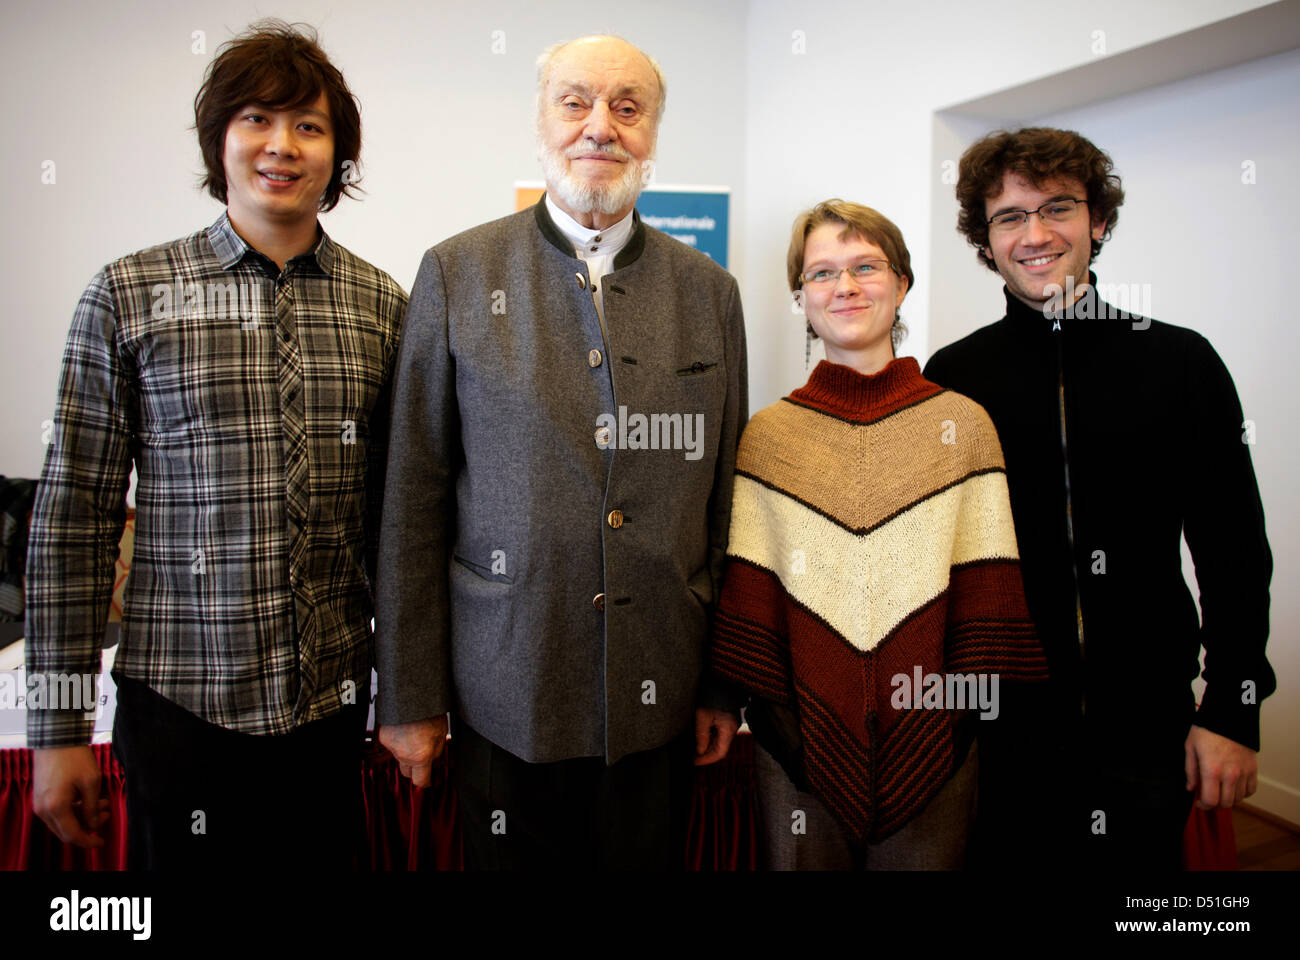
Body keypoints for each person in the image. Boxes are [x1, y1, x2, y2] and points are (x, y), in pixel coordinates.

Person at [26, 20, 407, 869]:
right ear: (219, 140)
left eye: (309, 125)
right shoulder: (128, 294)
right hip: (180, 712)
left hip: (329, 714)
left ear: (338, 154)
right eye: (256, 119)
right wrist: (56, 729)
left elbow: (401, 524)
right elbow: (73, 522)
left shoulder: (384, 306)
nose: (283, 145)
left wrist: (411, 693)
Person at [374, 34, 748, 870]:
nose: (600, 126)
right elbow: (412, 501)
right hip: (506, 687)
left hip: (660, 690)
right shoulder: (457, 272)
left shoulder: (709, 292)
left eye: (628, 107)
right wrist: (409, 694)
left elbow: (726, 504)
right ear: (541, 121)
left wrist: (721, 684)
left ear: (652, 132)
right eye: (575, 102)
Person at [923, 127, 1275, 870]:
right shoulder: (954, 377)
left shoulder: (1181, 361)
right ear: (986, 241)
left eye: (1058, 207)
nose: (1035, 234)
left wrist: (1233, 708)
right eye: (1010, 217)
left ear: (1100, 220)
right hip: (1003, 725)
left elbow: (1234, 551)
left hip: (1147, 721)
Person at [707, 200, 1047, 869]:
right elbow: (752, 598)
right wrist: (783, 726)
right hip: (796, 741)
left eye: (866, 266)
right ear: (802, 297)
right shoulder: (769, 437)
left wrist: (949, 724)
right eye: (823, 272)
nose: (846, 286)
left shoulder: (963, 426)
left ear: (902, 283)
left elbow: (986, 598)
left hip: (936, 741)